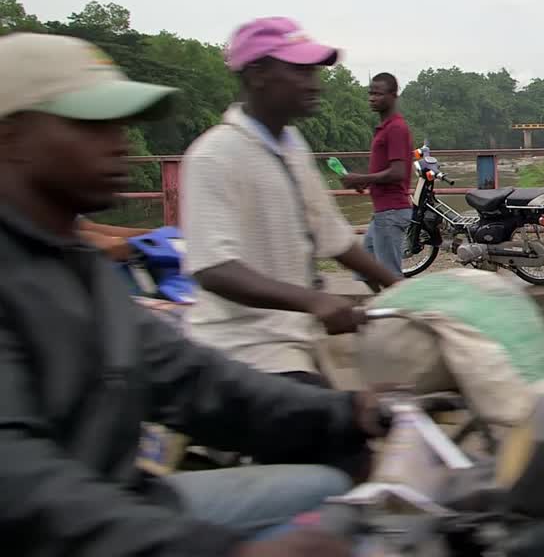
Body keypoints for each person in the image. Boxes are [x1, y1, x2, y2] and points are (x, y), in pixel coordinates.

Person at [0, 32, 378, 556]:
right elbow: (22, 488)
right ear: (11, 138)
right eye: (91, 125)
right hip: (71, 524)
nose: (120, 142)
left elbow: (188, 378)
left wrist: (350, 409)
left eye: (120, 123)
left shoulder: (79, 265)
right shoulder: (215, 155)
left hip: (122, 496)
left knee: (332, 490)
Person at [181, 17, 401, 384]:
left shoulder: (292, 145)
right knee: (344, 427)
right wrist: (313, 301)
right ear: (258, 74)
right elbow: (213, 268)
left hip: (297, 340)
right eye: (300, 71)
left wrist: (401, 289)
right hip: (244, 349)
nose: (313, 84)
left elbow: (331, 233)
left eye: (313, 72)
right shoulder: (213, 156)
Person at [339, 72, 414, 283]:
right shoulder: (385, 128)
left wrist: (362, 178)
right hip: (382, 212)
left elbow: (398, 173)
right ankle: (379, 310)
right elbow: (387, 170)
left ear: (393, 95)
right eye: (370, 93)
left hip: (391, 211)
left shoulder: (396, 128)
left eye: (378, 94)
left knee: (391, 277)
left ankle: (404, 313)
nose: (372, 98)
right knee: (366, 273)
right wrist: (365, 181)